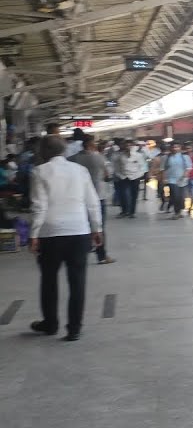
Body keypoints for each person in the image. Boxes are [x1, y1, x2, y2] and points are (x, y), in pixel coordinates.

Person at [28, 135, 103, 341]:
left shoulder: (39, 171)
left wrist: (33, 234)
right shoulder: (80, 170)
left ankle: (50, 324)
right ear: (64, 151)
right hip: (79, 230)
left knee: (49, 279)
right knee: (78, 281)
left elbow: (39, 206)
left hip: (51, 233)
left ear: (43, 152)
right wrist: (97, 228)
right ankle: (74, 328)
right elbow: (92, 202)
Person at [69, 135, 115, 265]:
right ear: (91, 145)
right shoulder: (99, 157)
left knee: (81, 226)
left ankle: (81, 252)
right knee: (99, 227)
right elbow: (108, 175)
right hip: (97, 196)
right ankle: (102, 256)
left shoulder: (73, 159)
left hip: (79, 197)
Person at [112, 138, 148, 218]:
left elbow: (142, 166)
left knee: (134, 195)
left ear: (132, 146)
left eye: (129, 145)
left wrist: (140, 175)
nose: (128, 147)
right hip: (123, 177)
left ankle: (132, 212)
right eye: (126, 145)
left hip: (135, 177)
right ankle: (124, 211)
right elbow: (116, 166)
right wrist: (118, 175)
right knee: (124, 195)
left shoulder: (138, 155)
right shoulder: (120, 156)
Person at [164, 141, 192, 219]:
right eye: (173, 147)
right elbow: (164, 168)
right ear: (170, 148)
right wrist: (164, 178)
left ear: (180, 148)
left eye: (177, 147)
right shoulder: (167, 157)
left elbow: (189, 167)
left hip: (182, 180)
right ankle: (177, 212)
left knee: (181, 197)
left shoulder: (185, 157)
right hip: (171, 179)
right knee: (175, 196)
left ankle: (181, 209)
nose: (175, 148)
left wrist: (185, 174)